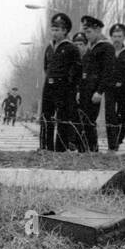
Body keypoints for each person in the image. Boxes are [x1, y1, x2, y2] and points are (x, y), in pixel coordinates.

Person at [41, 12, 81, 151]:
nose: (54, 32)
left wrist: (71, 86)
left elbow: (76, 69)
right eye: (52, 29)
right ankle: (46, 147)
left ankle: (60, 148)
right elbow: (46, 66)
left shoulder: (71, 48)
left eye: (57, 30)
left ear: (65, 31)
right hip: (49, 85)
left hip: (63, 87)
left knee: (62, 117)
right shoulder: (49, 47)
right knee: (46, 116)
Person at [77, 15, 115, 152]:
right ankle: (83, 149)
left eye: (89, 32)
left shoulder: (106, 48)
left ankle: (92, 149)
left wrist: (100, 91)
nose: (87, 36)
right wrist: (79, 90)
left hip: (94, 90)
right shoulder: (90, 48)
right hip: (84, 89)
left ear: (98, 30)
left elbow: (107, 72)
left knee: (89, 121)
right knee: (82, 120)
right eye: (85, 32)